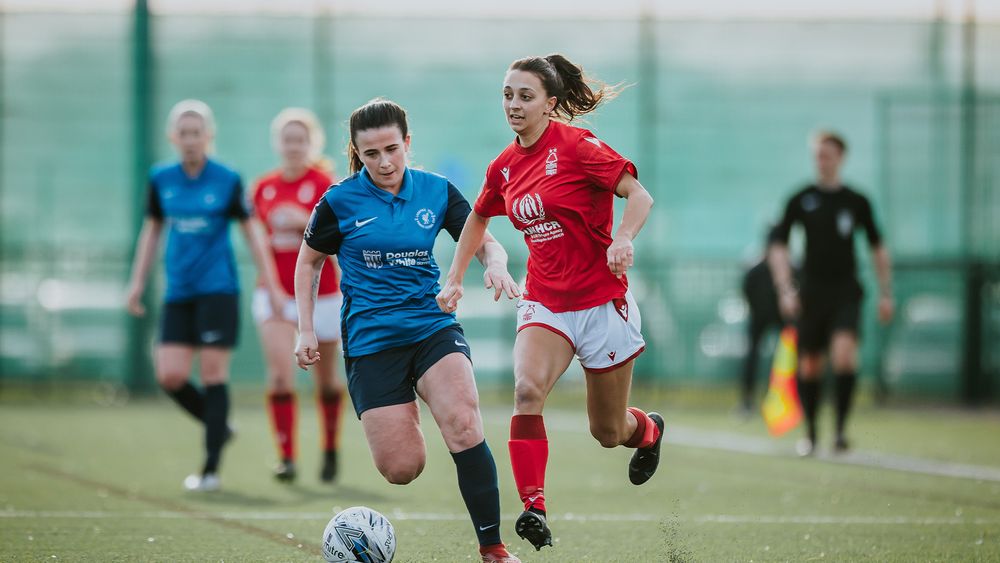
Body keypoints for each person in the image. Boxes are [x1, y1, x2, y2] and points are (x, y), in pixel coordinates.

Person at [437, 54, 664, 552]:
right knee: (526, 391)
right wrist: (455, 277)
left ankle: (646, 431)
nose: (513, 105)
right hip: (545, 299)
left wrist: (623, 237)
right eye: (507, 95)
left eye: (525, 96)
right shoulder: (503, 165)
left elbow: (639, 195)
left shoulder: (579, 146)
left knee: (607, 431)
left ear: (551, 103)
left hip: (601, 301)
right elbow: (478, 217)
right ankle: (533, 506)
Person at [294, 98, 521, 563]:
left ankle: (493, 549)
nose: (384, 162)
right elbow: (308, 262)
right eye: (371, 153)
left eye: (392, 149)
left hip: (431, 328)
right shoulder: (339, 201)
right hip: (372, 343)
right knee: (402, 468)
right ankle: (406, 415)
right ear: (357, 152)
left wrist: (495, 266)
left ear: (407, 143)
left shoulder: (437, 191)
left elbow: (484, 241)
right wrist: (305, 330)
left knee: (462, 421)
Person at [126, 99, 284, 491]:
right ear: (173, 137)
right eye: (183, 133)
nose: (190, 139)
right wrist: (136, 283)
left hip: (218, 291)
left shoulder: (227, 179)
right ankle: (220, 426)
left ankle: (210, 469)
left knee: (214, 375)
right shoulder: (161, 178)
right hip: (179, 293)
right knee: (171, 375)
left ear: (208, 136)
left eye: (197, 132)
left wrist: (274, 286)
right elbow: (151, 232)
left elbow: (253, 234)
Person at [768, 130, 894, 456]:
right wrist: (785, 289)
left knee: (843, 354)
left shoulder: (857, 201)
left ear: (840, 158)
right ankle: (810, 433)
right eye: (818, 155)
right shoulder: (801, 198)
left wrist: (885, 292)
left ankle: (839, 431)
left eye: (828, 155)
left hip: (846, 291)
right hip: (811, 292)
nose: (822, 161)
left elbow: (878, 247)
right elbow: (778, 246)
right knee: (810, 365)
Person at [252, 108, 346, 483]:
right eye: (287, 139)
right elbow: (257, 241)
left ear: (312, 144)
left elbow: (340, 236)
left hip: (321, 294)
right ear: (278, 144)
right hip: (275, 293)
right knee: (279, 377)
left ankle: (330, 448)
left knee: (324, 380)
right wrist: (271, 286)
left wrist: (303, 220)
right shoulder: (262, 187)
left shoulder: (326, 183)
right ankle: (287, 457)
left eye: (300, 140)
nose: (293, 146)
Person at [738, 226, 792, 416]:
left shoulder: (792, 268)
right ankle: (747, 400)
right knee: (752, 356)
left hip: (782, 319)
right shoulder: (756, 270)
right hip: (759, 317)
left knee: (790, 356)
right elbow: (747, 290)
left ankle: (790, 399)